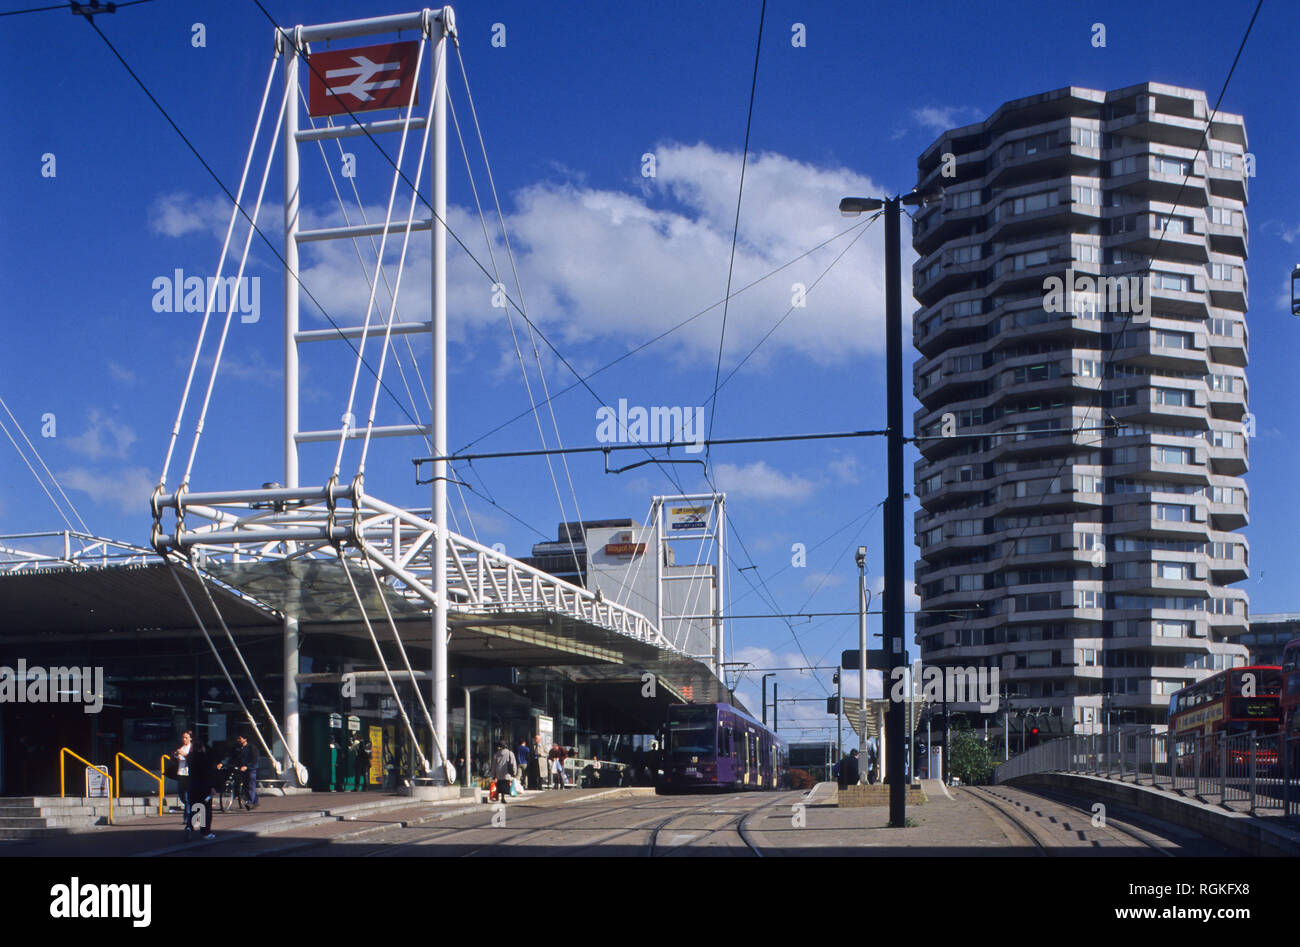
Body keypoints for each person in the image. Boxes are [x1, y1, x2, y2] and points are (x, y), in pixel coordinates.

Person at [216, 734, 260, 809]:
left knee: (250, 783)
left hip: (250, 768)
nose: (238, 740)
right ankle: (254, 801)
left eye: (240, 738)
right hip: (240, 767)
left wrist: (247, 766)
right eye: (237, 738)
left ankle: (250, 802)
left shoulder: (251, 747)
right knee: (243, 784)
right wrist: (222, 763)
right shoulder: (236, 748)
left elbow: (254, 759)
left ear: (245, 739)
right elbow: (230, 756)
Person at [187, 736, 216, 840]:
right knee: (206, 810)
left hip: (192, 786)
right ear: (202, 747)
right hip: (204, 787)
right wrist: (212, 786)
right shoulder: (205, 759)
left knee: (194, 808)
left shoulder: (190, 757)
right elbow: (208, 774)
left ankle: (189, 827)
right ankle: (205, 832)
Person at [175, 730, 193, 837]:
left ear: (190, 738)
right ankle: (188, 814)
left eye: (186, 737)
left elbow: (192, 759)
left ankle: (187, 818)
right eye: (183, 737)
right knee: (181, 795)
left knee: (187, 797)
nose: (184, 739)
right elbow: (176, 758)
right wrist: (176, 754)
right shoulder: (181, 747)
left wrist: (185, 755)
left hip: (188, 774)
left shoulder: (192, 748)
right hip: (181, 773)